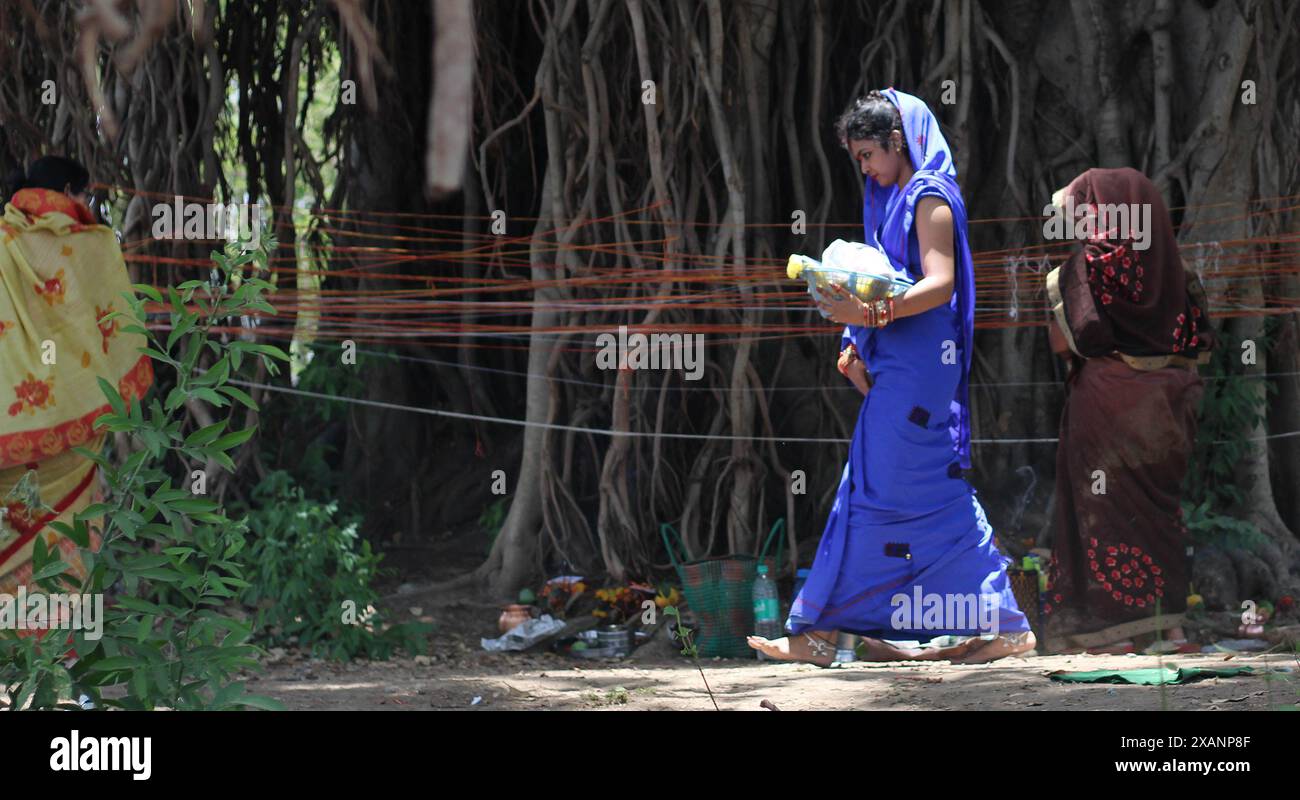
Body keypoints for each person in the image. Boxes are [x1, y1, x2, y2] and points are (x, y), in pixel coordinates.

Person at [747, 89, 1034, 665]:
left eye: (867, 154)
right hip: (899, 359)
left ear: (896, 142)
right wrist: (856, 337)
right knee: (927, 493)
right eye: (856, 157)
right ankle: (1002, 626)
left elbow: (939, 284)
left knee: (869, 488)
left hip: (925, 364)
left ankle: (822, 632)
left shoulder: (930, 200)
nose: (864, 166)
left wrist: (871, 316)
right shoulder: (889, 197)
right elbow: (884, 277)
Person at [1040, 167, 1213, 653]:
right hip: (1171, 408)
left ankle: (1111, 634)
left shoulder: (1080, 272)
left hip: (1107, 404)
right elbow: (1199, 341)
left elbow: (1063, 342)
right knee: (1160, 512)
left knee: (1106, 513)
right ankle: (1170, 629)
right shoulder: (1175, 270)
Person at [0, 156, 153, 634]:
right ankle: (44, 661)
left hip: (8, 428)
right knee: (63, 530)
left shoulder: (3, 238)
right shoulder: (84, 243)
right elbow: (110, 323)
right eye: (86, 196)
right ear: (70, 191)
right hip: (72, 421)